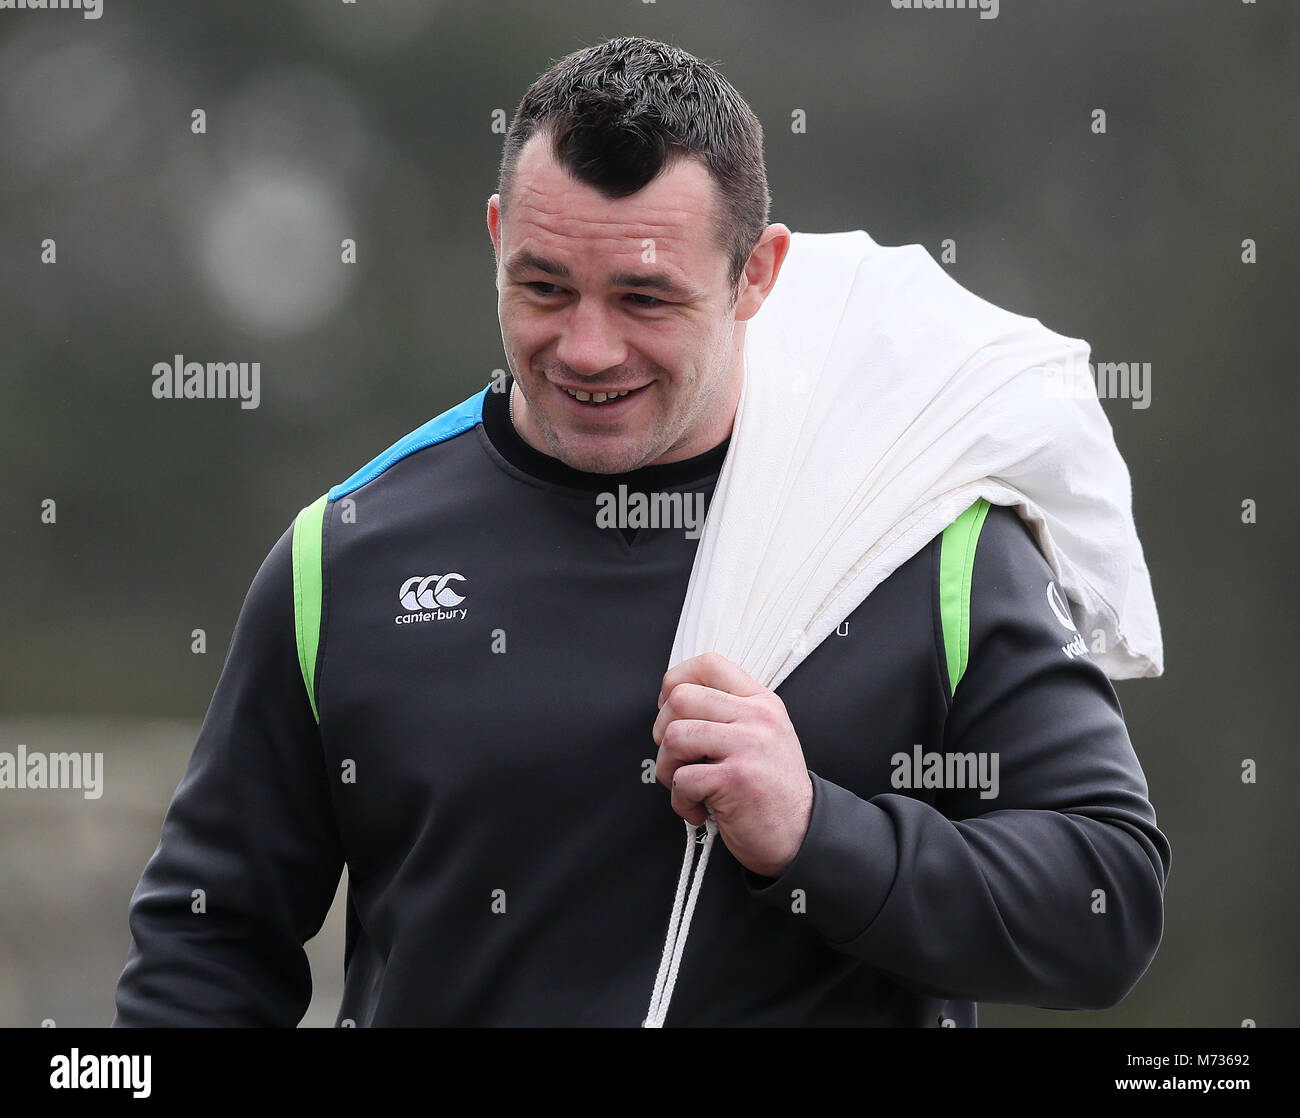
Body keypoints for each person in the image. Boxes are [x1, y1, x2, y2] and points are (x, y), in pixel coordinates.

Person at [113, 35, 1170, 1027]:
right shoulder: (344, 555)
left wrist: (816, 832)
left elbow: (1106, 899)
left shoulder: (916, 541)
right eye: (543, 286)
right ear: (495, 236)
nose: (584, 346)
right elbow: (204, 946)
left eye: (643, 298)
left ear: (757, 274)